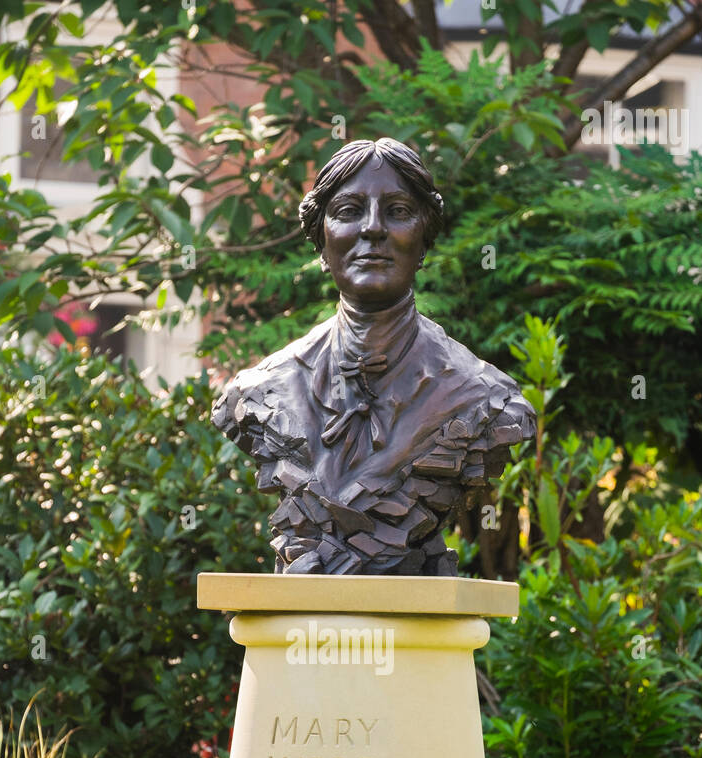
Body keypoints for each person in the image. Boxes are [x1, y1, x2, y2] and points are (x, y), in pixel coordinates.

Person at [211, 137, 535, 575]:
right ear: (322, 244)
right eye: (349, 211)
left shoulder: (486, 401)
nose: (373, 229)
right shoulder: (258, 392)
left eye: (398, 212)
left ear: (424, 242)